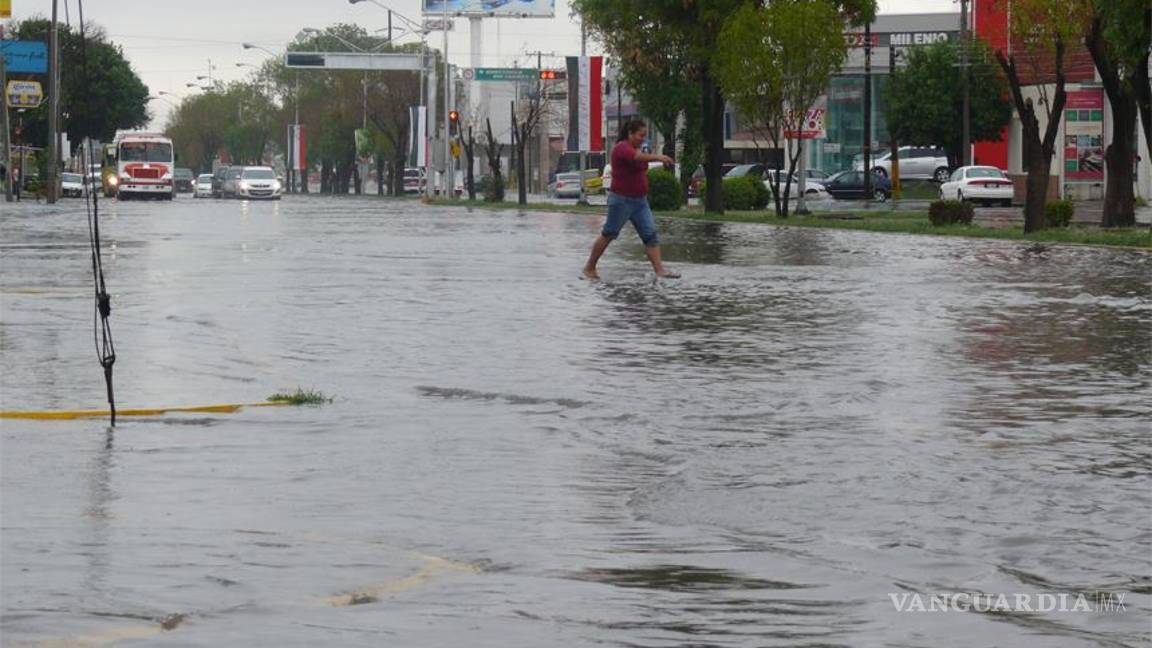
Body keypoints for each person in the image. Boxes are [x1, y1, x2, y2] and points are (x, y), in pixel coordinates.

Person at [582, 118, 680, 280]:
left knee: (650, 234)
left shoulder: (638, 150)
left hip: (640, 201)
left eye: (645, 135)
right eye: (641, 135)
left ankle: (660, 270)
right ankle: (589, 267)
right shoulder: (621, 148)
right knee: (609, 233)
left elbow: (640, 163)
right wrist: (659, 157)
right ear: (630, 134)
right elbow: (636, 158)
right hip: (621, 200)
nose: (643, 138)